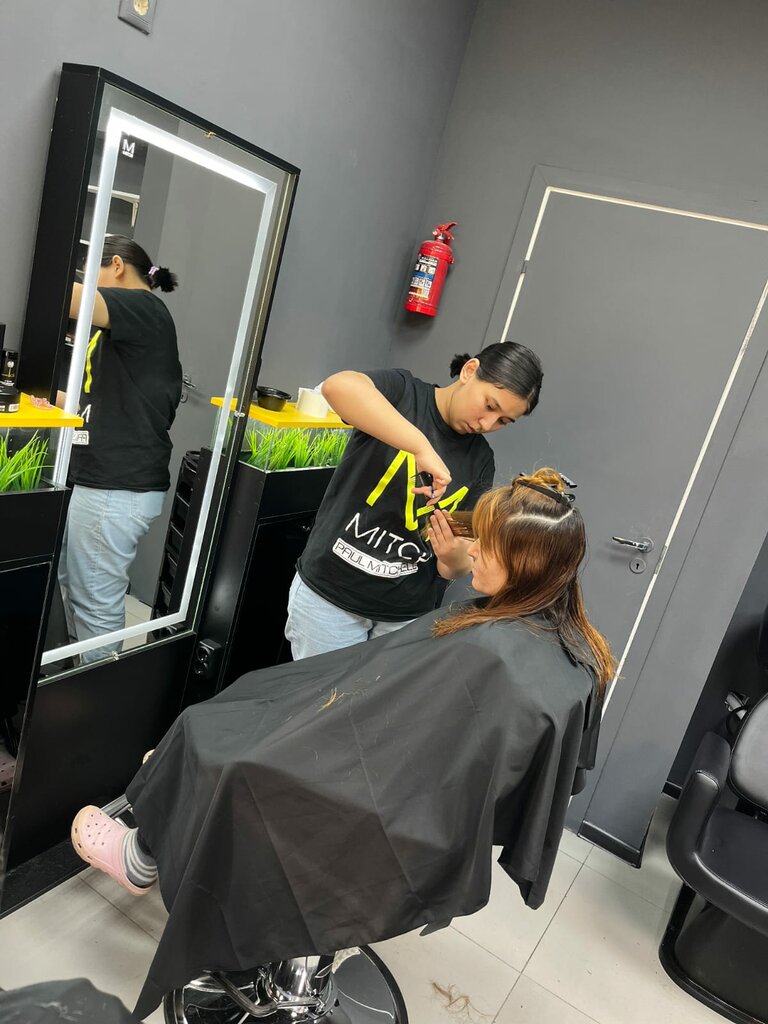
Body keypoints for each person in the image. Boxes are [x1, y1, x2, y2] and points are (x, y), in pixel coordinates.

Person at [70, 468, 613, 1018]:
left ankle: (144, 857)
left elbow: (407, 746)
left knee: (216, 743)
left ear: (526, 563)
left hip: (387, 811)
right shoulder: (572, 648)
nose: (473, 552)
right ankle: (160, 839)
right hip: (417, 800)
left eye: (486, 546)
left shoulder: (494, 653)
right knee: (244, 713)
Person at [285, 342, 544, 659]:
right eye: (489, 406)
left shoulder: (481, 461)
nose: (486, 424)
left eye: (503, 421)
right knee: (321, 691)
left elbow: (457, 565)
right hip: (330, 598)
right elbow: (338, 387)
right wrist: (420, 447)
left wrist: (451, 555)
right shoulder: (404, 393)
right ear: (469, 371)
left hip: (404, 618)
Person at [58, 235, 182, 663]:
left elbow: (66, 297)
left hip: (116, 486)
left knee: (94, 601)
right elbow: (102, 399)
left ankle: (94, 692)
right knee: (76, 587)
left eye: (88, 273)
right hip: (105, 481)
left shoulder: (143, 307)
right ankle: (77, 678)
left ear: (115, 265)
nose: (88, 283)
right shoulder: (130, 326)